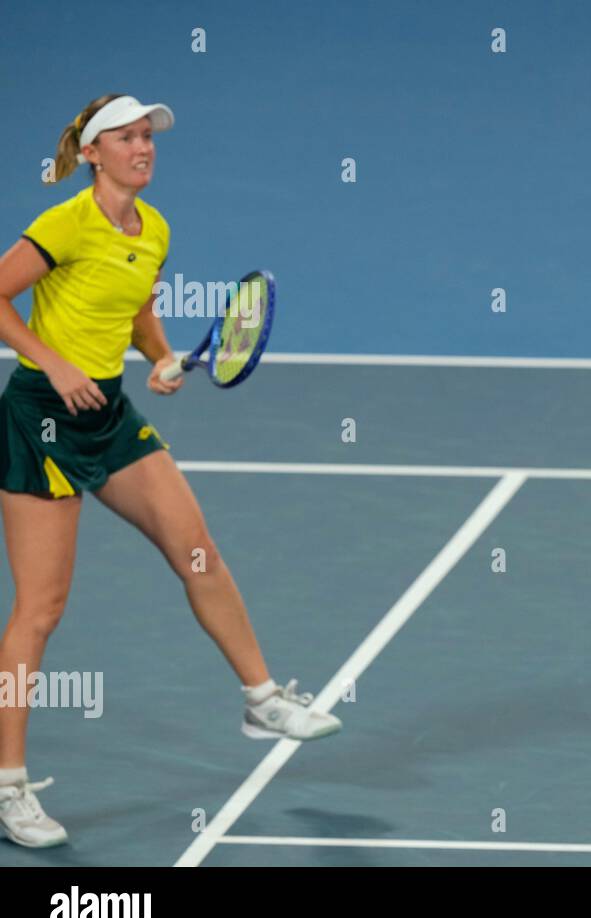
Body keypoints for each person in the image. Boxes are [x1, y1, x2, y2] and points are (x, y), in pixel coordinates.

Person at [0, 94, 340, 850]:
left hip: (109, 415)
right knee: (41, 610)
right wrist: (50, 362)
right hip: (42, 420)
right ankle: (8, 786)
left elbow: (136, 312)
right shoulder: (64, 223)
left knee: (198, 551)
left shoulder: (153, 228)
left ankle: (262, 699)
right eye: (126, 138)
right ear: (93, 152)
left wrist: (157, 357)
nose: (143, 148)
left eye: (148, 136)